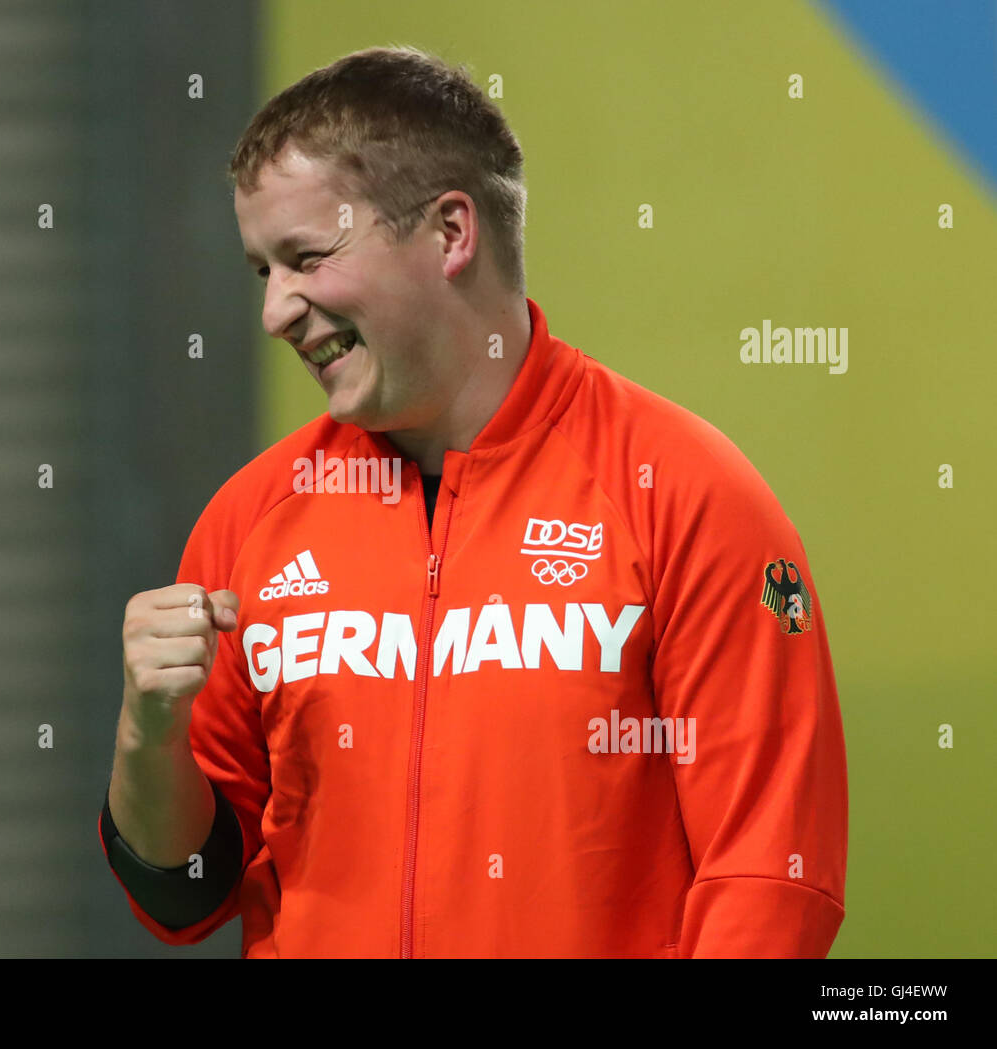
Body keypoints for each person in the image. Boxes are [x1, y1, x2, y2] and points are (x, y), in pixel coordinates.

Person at [99, 45, 848, 958]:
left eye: (306, 257)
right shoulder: (251, 516)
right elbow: (183, 895)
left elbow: (771, 878)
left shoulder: (682, 492)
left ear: (451, 233)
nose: (277, 312)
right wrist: (149, 732)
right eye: (264, 272)